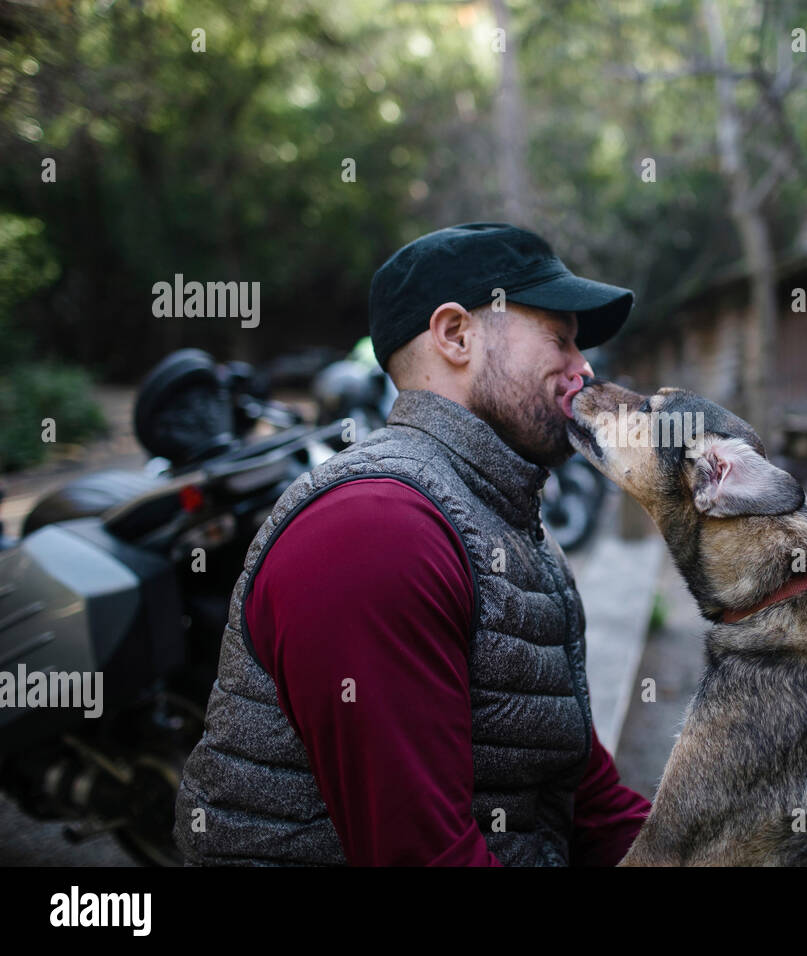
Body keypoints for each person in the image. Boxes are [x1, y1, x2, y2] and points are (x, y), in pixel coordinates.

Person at [173, 221, 651, 866]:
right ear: (456, 335)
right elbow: (425, 856)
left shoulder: (506, 521)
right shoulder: (376, 529)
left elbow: (585, 796)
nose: (583, 368)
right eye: (559, 339)